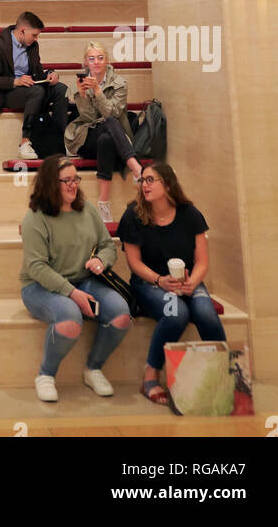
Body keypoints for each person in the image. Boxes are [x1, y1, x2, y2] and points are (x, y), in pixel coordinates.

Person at [21, 154, 132, 402]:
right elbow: (36, 267)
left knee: (122, 315)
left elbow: (108, 246)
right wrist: (73, 293)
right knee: (70, 319)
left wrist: (101, 261)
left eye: (76, 179)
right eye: (66, 180)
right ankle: (46, 375)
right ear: (50, 183)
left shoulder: (87, 210)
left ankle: (93, 369)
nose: (73, 185)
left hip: (84, 281)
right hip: (40, 287)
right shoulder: (35, 218)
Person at [118, 160, 227, 406]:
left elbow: (201, 261)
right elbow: (134, 263)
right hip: (150, 282)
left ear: (167, 184)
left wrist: (193, 283)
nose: (144, 185)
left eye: (150, 180)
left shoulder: (189, 214)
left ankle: (224, 373)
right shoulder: (133, 215)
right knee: (176, 312)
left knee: (206, 315)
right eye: (142, 180)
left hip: (188, 280)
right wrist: (160, 280)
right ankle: (151, 375)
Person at [0, 12, 67, 153]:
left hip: (30, 87)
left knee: (61, 89)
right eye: (34, 35)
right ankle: (25, 141)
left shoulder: (32, 46)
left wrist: (50, 74)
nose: (36, 39)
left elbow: (38, 72)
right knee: (37, 91)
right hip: (8, 92)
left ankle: (60, 139)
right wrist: (16, 81)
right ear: (22, 31)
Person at [64, 40, 143, 224]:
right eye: (91, 59)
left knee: (107, 136)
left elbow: (112, 113)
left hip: (114, 138)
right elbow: (88, 118)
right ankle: (137, 169)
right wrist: (83, 96)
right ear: (86, 62)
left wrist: (98, 91)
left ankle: (103, 203)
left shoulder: (120, 83)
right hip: (87, 135)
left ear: (107, 60)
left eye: (100, 58)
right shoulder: (79, 83)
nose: (96, 62)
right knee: (106, 126)